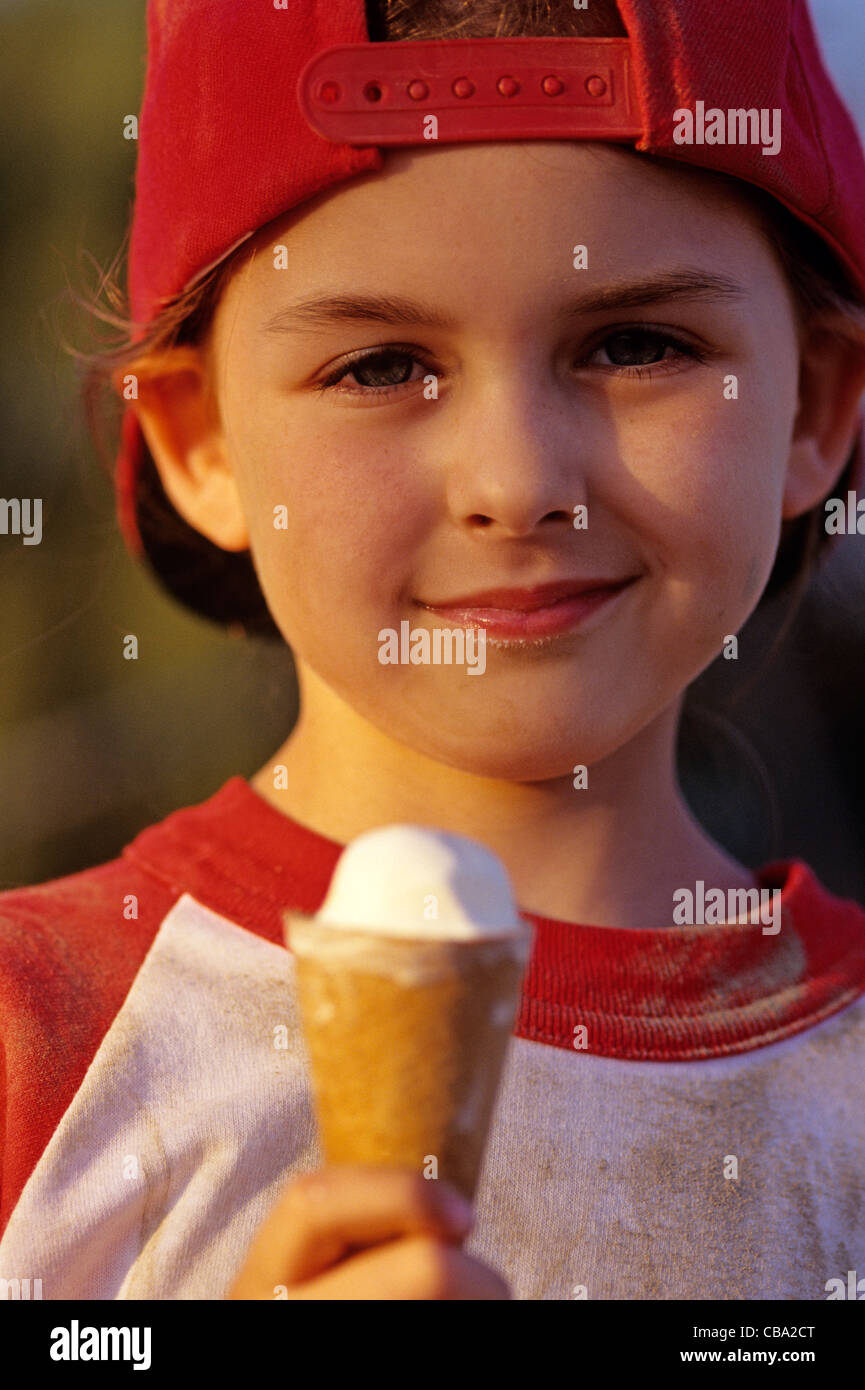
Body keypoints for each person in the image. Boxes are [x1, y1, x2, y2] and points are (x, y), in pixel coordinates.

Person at [1, 0, 865, 1301]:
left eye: (637, 345)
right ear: (202, 444)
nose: (515, 482)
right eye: (380, 364)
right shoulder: (32, 1043)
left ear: (815, 405)